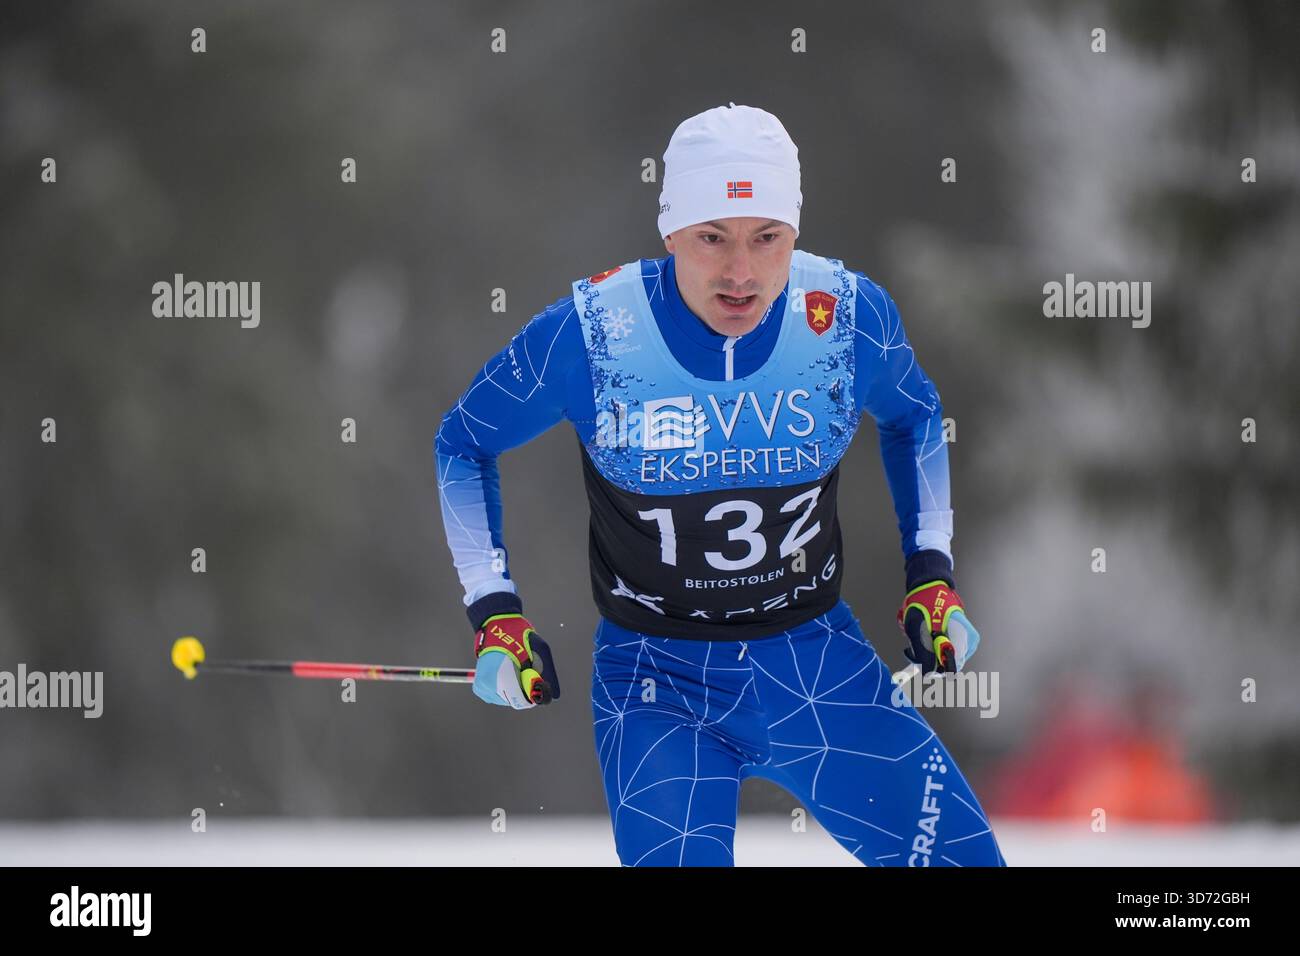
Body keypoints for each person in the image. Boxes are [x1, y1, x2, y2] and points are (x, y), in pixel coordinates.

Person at [435, 103, 1006, 866]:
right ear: (671, 231)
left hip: (817, 666)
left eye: (766, 238)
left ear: (793, 235)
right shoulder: (594, 333)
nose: (741, 271)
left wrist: (930, 573)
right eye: (713, 238)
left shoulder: (843, 318)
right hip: (657, 685)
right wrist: (494, 613)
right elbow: (463, 442)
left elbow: (915, 414)